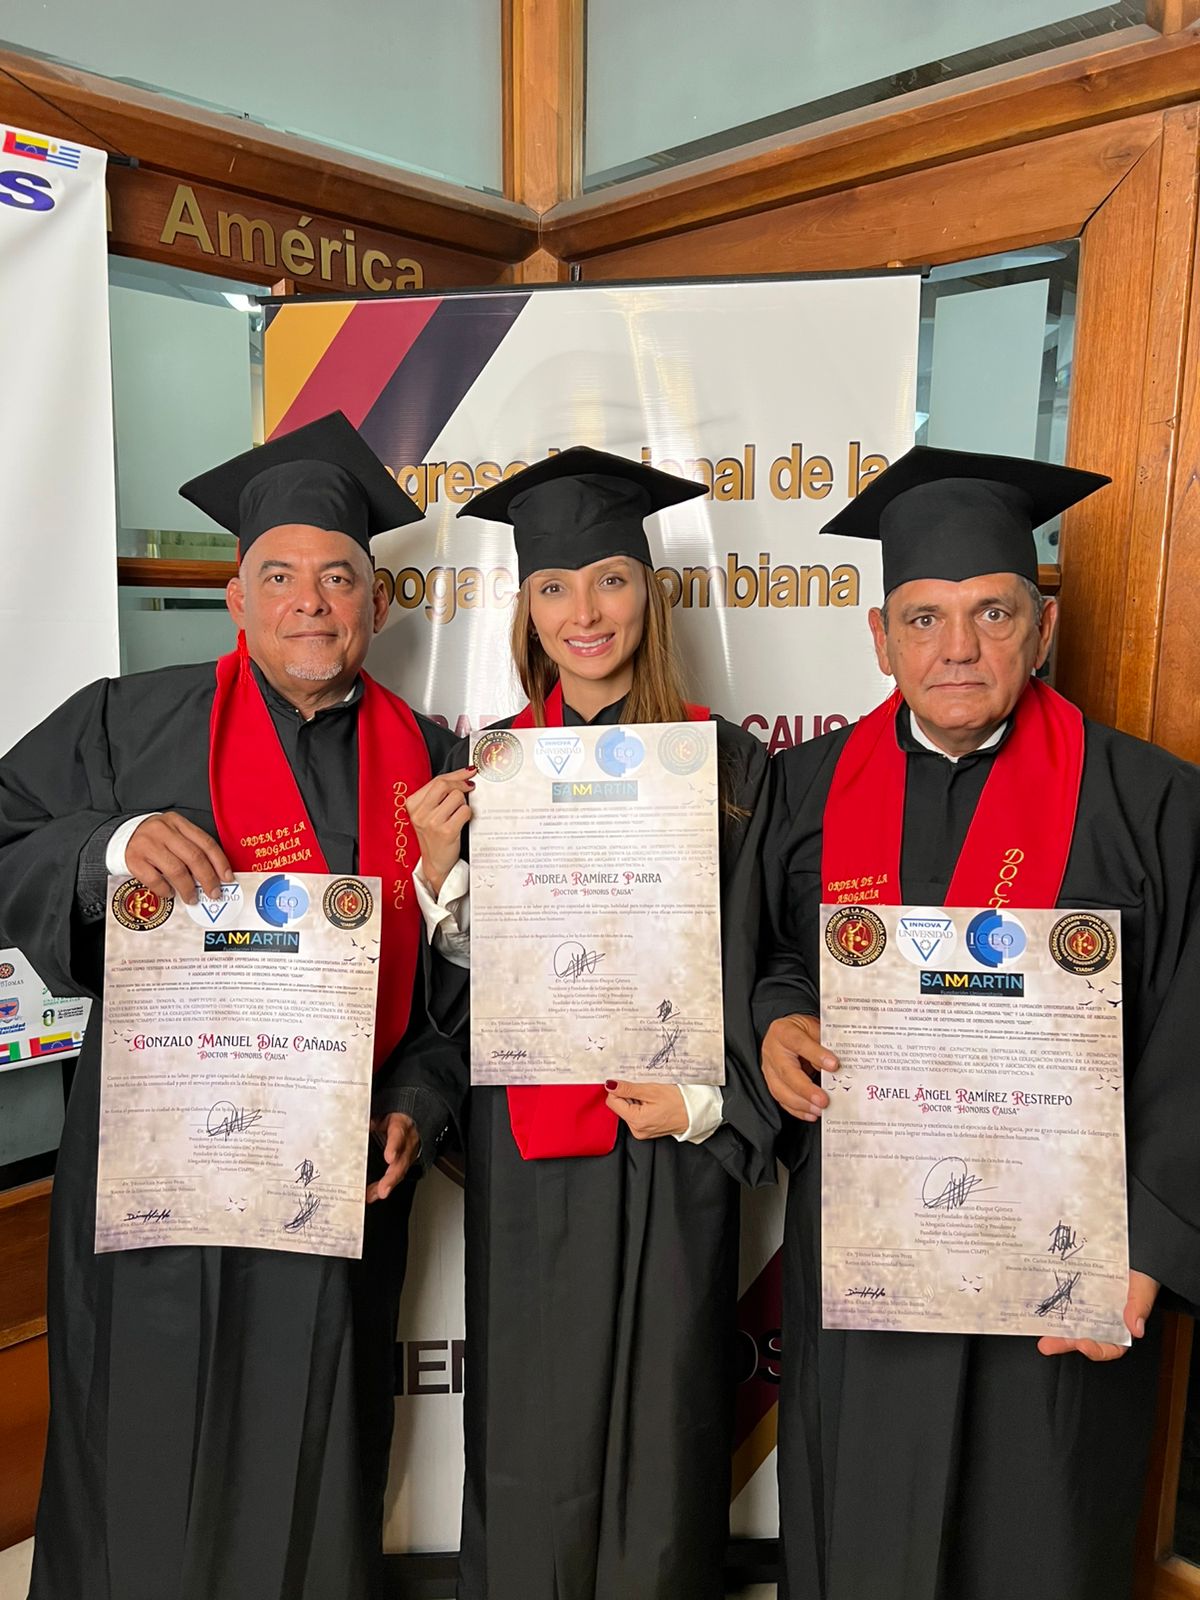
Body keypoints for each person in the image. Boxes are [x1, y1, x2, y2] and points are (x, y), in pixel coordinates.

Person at [0, 412, 464, 1600]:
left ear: (378, 602)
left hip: (334, 1176)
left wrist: (416, 1097)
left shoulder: (434, 757)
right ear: (236, 601)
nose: (312, 603)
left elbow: (464, 972)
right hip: (155, 1182)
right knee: (146, 1448)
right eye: (282, 578)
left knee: (310, 1452)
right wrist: (104, 845)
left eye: (340, 578)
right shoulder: (126, 721)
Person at [753, 444, 1200, 1600]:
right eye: (925, 617)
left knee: (1036, 1544)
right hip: (870, 1261)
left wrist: (1150, 1251)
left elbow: (1193, 1033)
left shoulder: (1151, 801)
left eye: (992, 612)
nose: (958, 646)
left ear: (1039, 627)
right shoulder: (805, 791)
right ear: (880, 637)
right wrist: (775, 1021)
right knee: (863, 1543)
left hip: (1061, 1275)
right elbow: (761, 959)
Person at [403, 447, 778, 1600]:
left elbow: (770, 966)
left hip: (671, 1138)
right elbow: (473, 984)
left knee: (666, 1423)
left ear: (648, 596)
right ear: (524, 606)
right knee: (531, 1423)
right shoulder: (495, 767)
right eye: (554, 587)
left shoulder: (733, 769)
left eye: (611, 578)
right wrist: (439, 872)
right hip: (534, 1145)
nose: (584, 611)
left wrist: (707, 1101)